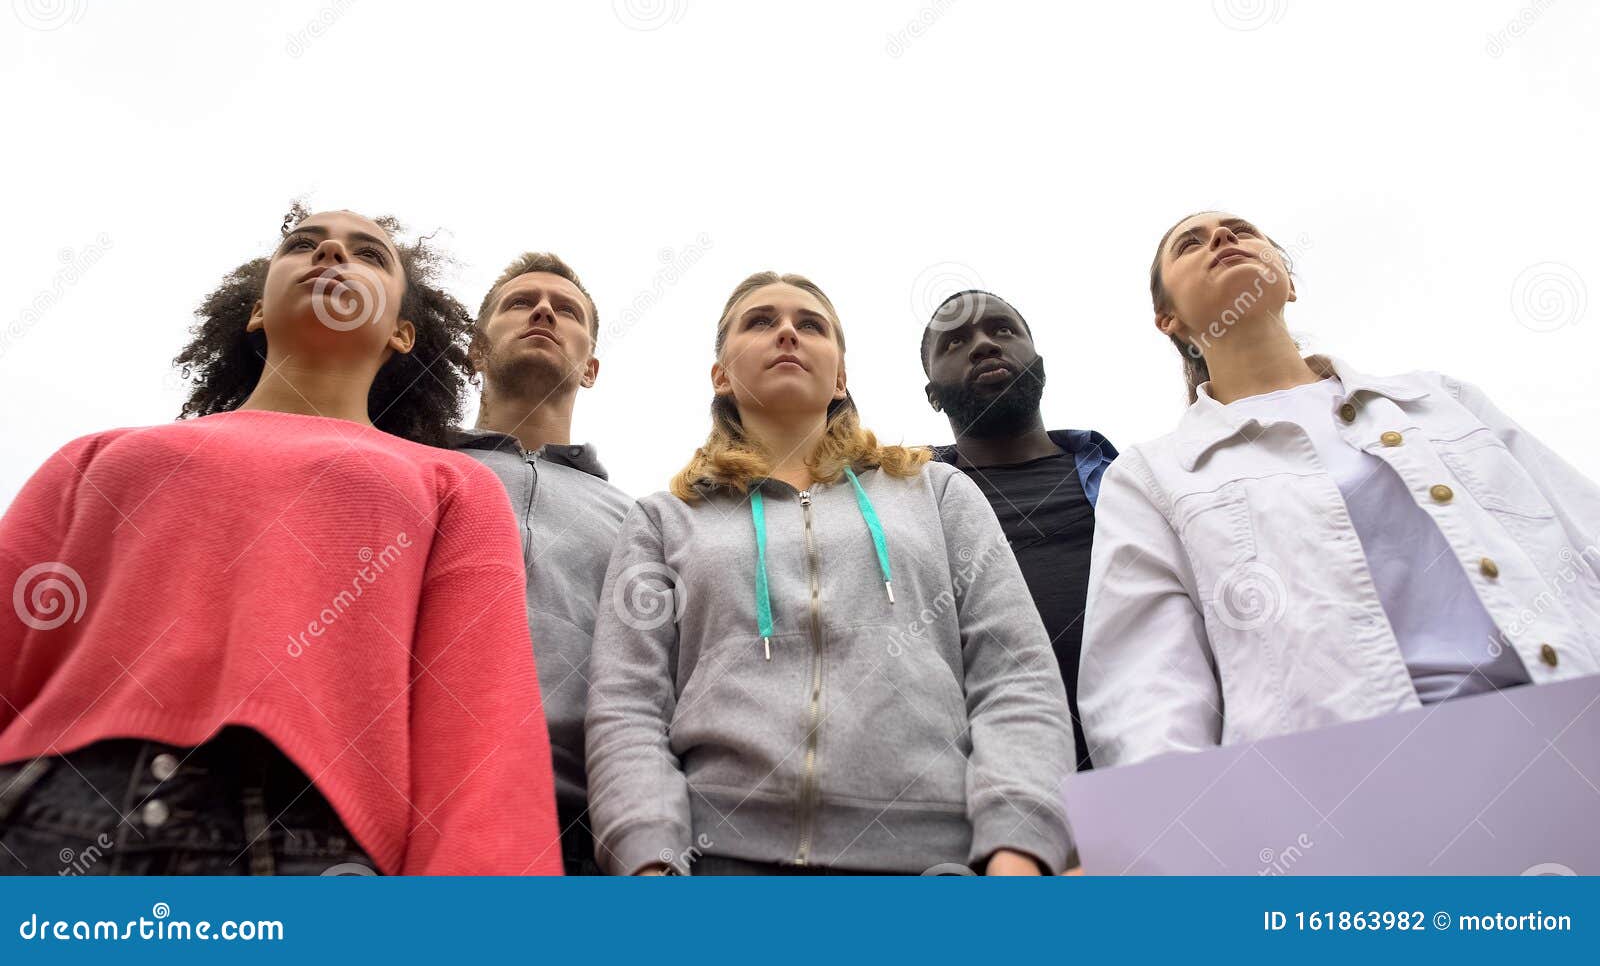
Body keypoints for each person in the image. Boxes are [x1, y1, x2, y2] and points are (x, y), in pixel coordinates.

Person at [0, 206, 561, 875]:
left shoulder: (450, 483)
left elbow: (482, 724)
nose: (328, 251)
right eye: (302, 244)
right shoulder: (100, 454)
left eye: (370, 255)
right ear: (257, 313)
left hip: (304, 840)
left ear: (403, 333)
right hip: (38, 811)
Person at [585, 270, 1076, 876]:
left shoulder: (938, 492)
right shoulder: (663, 520)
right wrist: (647, 861)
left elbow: (1016, 674)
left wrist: (1019, 848)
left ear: (840, 377)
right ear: (721, 376)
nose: (788, 332)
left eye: (810, 325)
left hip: (938, 867)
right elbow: (627, 704)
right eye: (760, 321)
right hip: (718, 867)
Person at [1079, 210, 1600, 768]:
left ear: (1290, 282)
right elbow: (1146, 688)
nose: (1223, 239)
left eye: (1242, 230)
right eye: (1190, 244)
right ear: (1167, 319)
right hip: (1348, 796)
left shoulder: (1443, 400)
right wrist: (1184, 834)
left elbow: (1583, 530)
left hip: (1570, 732)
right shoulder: (1152, 477)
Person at [452, 252, 630, 876]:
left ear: (592, 368)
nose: (545, 311)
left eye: (568, 310)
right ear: (475, 351)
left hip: (587, 830)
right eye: (519, 303)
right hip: (418, 808)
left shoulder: (643, 521)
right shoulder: (408, 474)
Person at [921, 290, 1116, 770]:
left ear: (1039, 364)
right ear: (931, 394)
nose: (984, 345)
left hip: (1139, 776)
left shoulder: (1128, 486)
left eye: (1002, 330)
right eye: (954, 342)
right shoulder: (904, 507)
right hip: (983, 800)